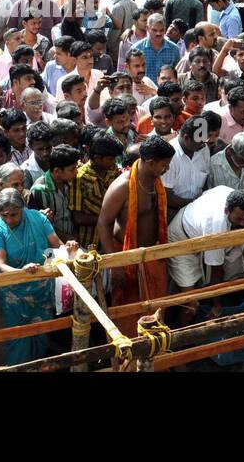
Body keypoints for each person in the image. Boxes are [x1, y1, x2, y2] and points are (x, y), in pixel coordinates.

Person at [97, 135, 174, 336]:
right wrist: (115, 265)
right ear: (149, 162)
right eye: (164, 165)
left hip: (151, 257)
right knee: (127, 318)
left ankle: (155, 360)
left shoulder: (155, 182)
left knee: (155, 313)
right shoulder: (122, 186)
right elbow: (103, 224)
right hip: (126, 259)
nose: (167, 169)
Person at [0, 188, 69, 363]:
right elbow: (0, 264)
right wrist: (22, 272)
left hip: (42, 290)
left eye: (14, 215)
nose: (9, 220)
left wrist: (69, 249)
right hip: (14, 295)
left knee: (42, 336)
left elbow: (56, 245)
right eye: (4, 215)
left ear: (23, 209)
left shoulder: (38, 218)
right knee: (18, 340)